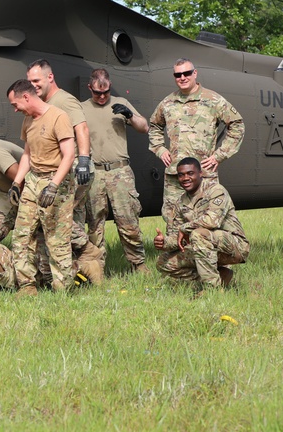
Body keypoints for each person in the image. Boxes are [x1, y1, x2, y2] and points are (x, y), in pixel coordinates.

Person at [149, 59, 245, 233]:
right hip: (175, 176)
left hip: (204, 174)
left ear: (195, 73)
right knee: (173, 220)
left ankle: (209, 257)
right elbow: (154, 126)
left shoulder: (213, 100)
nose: (182, 77)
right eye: (178, 75)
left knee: (208, 220)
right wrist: (160, 149)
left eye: (186, 73)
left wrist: (220, 155)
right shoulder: (167, 103)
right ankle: (177, 257)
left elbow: (237, 124)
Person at [25, 59, 103, 271]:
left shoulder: (64, 100)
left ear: (50, 77)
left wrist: (84, 161)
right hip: (62, 168)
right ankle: (85, 265)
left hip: (75, 166)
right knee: (71, 216)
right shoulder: (43, 104)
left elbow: (82, 129)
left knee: (57, 215)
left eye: (36, 80)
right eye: (29, 82)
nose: (33, 86)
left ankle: (88, 252)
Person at [6, 78, 78, 294]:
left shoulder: (59, 117)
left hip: (57, 181)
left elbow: (69, 155)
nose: (16, 110)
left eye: (15, 104)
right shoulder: (28, 120)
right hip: (33, 181)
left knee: (56, 239)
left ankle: (63, 289)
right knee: (21, 235)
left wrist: (54, 186)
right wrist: (17, 182)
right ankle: (27, 285)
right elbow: (27, 154)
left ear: (26, 97)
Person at [80, 69, 150, 274]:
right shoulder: (81, 108)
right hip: (95, 173)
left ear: (110, 87)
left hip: (120, 172)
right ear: (89, 88)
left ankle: (138, 264)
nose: (102, 97)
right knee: (94, 224)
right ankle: (97, 267)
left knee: (128, 220)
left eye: (106, 93)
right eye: (97, 93)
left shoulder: (121, 103)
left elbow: (144, 127)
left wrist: (130, 115)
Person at [153, 158, 249, 289]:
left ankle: (212, 290)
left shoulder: (216, 191)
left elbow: (212, 221)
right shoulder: (180, 203)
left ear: (200, 173)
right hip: (204, 247)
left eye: (190, 173)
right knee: (163, 262)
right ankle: (220, 277)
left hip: (234, 246)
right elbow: (178, 238)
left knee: (199, 234)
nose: (185, 178)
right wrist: (164, 242)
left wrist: (185, 228)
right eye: (181, 175)